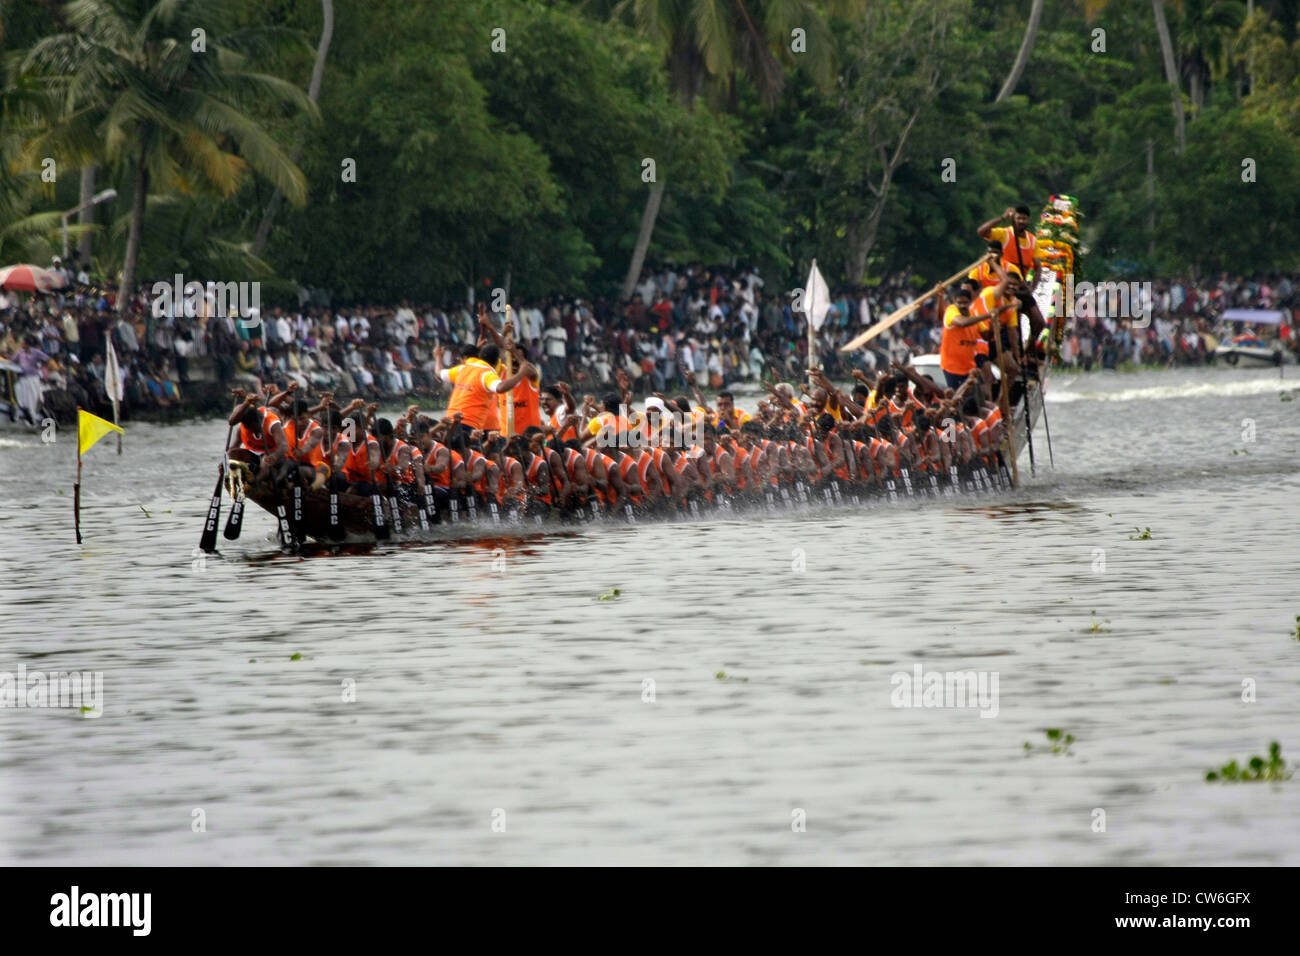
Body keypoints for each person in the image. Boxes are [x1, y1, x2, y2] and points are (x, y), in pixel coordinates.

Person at [434, 341, 533, 432]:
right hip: (469, 424)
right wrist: (521, 373)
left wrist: (438, 357)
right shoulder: (487, 374)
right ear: (496, 362)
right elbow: (500, 388)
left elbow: (439, 373)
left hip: (450, 421)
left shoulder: (463, 368)